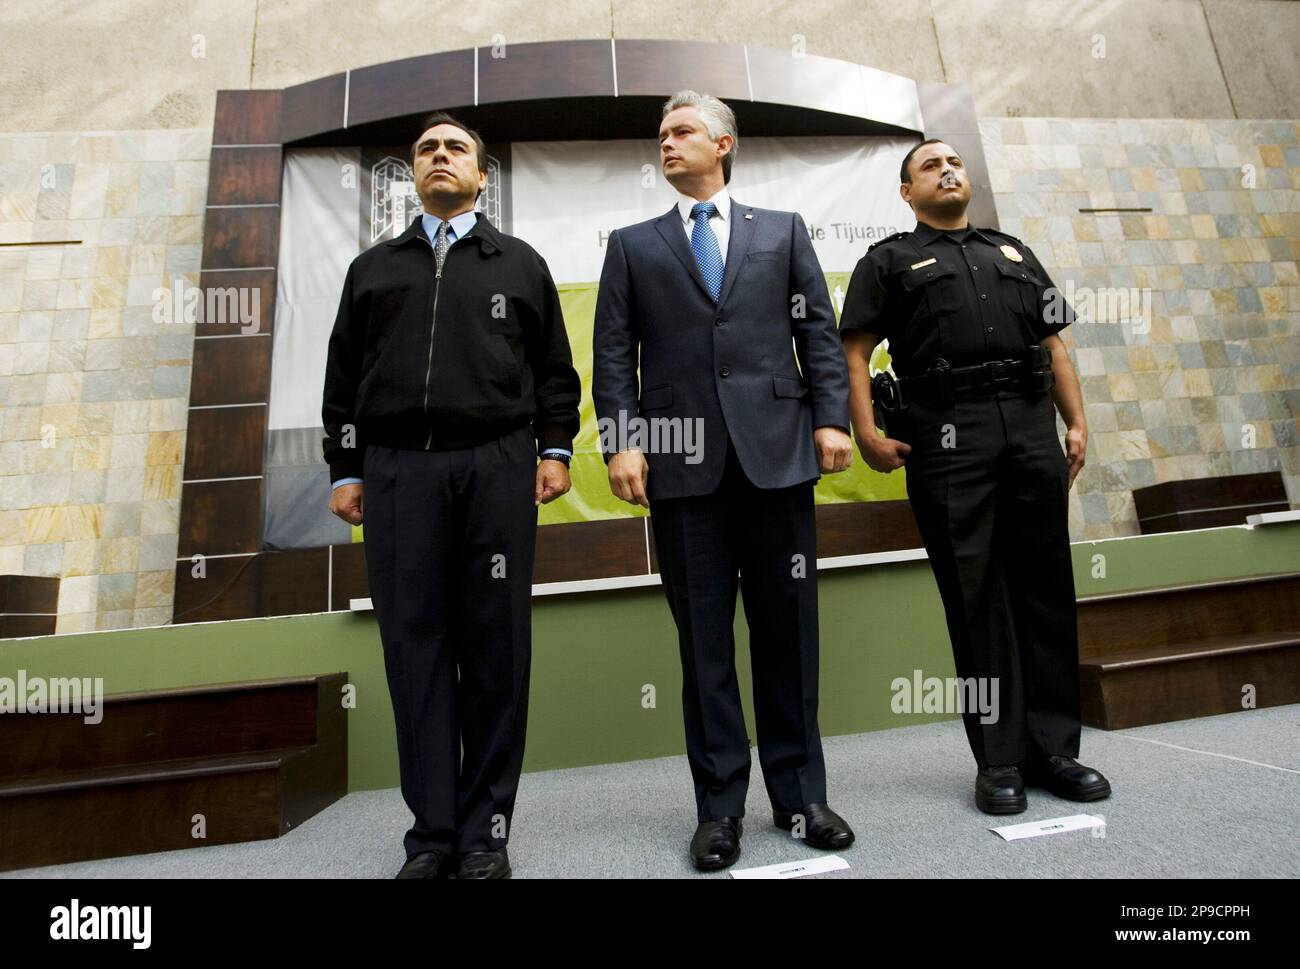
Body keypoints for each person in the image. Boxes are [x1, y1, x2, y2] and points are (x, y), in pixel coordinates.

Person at [593, 90, 856, 870]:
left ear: (724, 143)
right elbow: (613, 354)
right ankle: (718, 812)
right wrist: (622, 442)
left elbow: (817, 329)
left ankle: (802, 797)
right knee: (704, 646)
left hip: (777, 458)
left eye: (681, 132)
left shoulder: (782, 231)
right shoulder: (632, 245)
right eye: (661, 135)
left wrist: (831, 418)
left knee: (790, 635)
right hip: (680, 469)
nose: (666, 144)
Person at [322, 111, 581, 877]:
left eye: (455, 148)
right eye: (427, 149)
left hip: (497, 468)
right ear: (414, 172)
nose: (440, 156)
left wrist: (556, 448)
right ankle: (433, 834)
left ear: (481, 174)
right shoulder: (373, 269)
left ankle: (485, 832)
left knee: (496, 646)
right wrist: (346, 467)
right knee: (416, 650)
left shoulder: (521, 264)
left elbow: (556, 372)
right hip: (401, 474)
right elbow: (341, 381)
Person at [839, 139, 1111, 814]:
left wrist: (1075, 421)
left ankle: (1056, 751)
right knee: (975, 595)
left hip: (1028, 424)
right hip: (947, 433)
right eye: (930, 165)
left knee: (1045, 588)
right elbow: (854, 353)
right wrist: (866, 431)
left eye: (954, 162)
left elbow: (1055, 344)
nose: (948, 170)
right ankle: (999, 760)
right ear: (907, 191)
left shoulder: (1012, 251)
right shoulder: (888, 262)